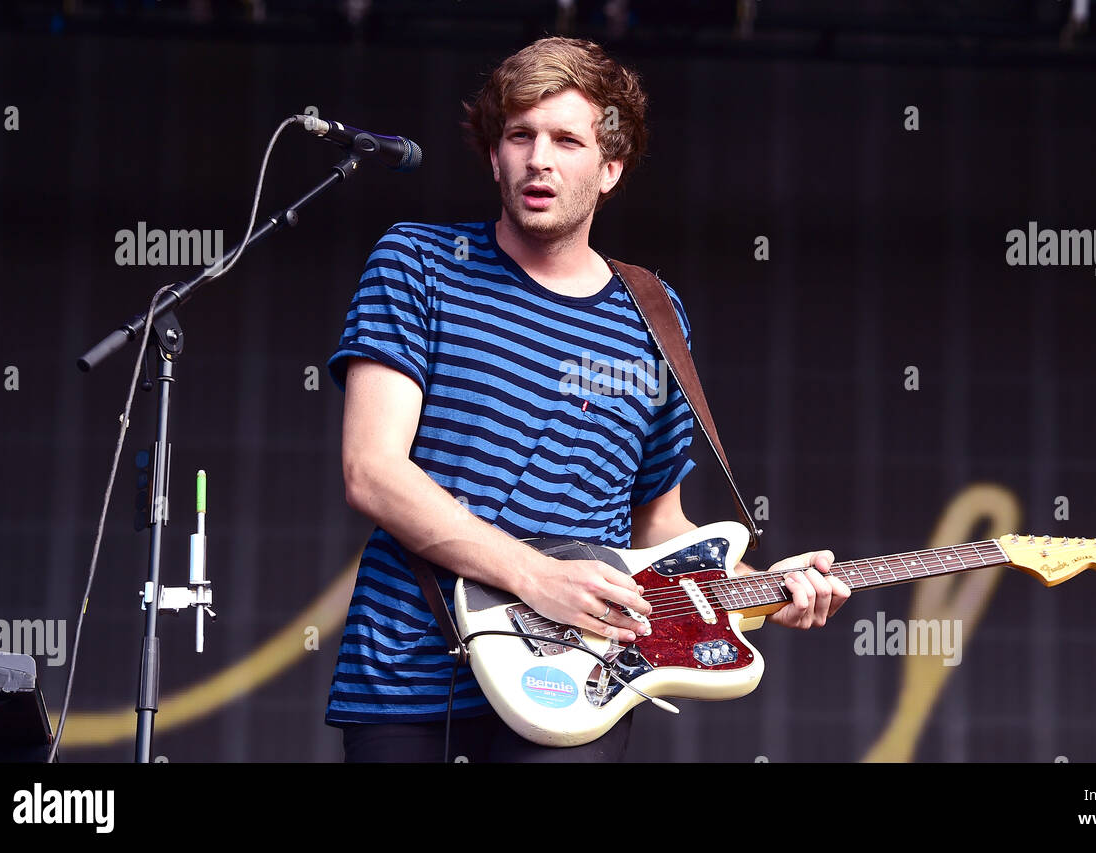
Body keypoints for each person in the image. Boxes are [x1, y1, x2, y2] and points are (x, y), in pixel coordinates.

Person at [325, 36, 850, 763]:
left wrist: (766, 588)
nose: (539, 157)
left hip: (578, 682)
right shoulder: (416, 264)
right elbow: (371, 472)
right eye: (519, 135)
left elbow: (660, 528)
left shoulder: (654, 315)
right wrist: (537, 577)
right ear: (494, 155)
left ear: (609, 167)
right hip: (410, 675)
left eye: (566, 139)